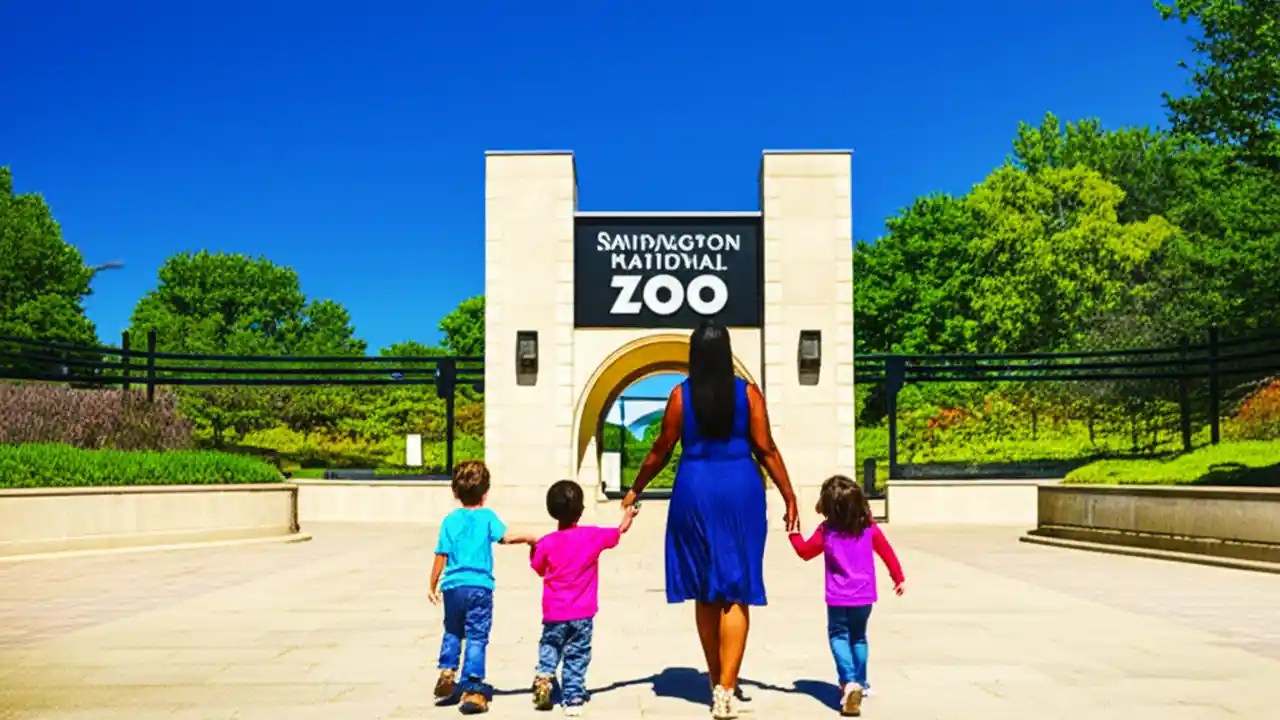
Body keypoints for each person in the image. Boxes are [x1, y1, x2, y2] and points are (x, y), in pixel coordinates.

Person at [623, 319, 800, 720]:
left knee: (706, 589)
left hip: (695, 489)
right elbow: (766, 448)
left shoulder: (680, 397)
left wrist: (635, 488)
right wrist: (789, 494)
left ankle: (715, 681)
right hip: (740, 488)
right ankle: (726, 688)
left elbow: (660, 448)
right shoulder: (749, 394)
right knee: (735, 589)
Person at [788, 475, 905, 717]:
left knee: (838, 635)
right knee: (859, 638)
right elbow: (887, 552)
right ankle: (860, 683)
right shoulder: (869, 528)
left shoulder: (827, 531)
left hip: (838, 598)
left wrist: (793, 533)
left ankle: (849, 681)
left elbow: (805, 552)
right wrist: (898, 577)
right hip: (864, 597)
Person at [429, 460, 537, 715]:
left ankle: (447, 672)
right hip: (479, 587)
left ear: (455, 492)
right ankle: (474, 688)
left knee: (453, 630)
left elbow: (441, 555)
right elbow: (506, 537)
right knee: (477, 636)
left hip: (452, 587)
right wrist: (531, 537)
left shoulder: (450, 520)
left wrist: (432, 584)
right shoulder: (487, 517)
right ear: (485, 492)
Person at [529, 480, 640, 716]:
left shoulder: (547, 542)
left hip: (554, 612)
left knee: (550, 645)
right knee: (577, 653)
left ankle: (545, 676)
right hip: (582, 612)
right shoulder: (592, 536)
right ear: (581, 510)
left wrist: (533, 549)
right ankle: (573, 696)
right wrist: (627, 518)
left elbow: (539, 569)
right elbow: (616, 533)